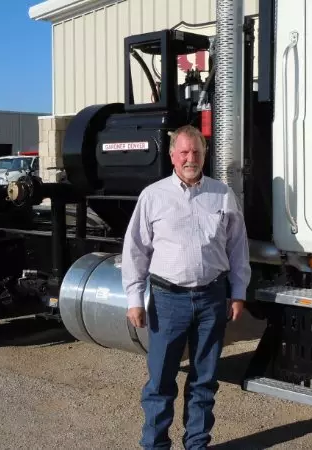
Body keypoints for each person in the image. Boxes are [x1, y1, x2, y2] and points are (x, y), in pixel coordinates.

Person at [121, 124, 251, 450]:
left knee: (204, 381)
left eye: (196, 152)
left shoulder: (222, 194)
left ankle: (197, 444)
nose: (190, 158)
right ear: (172, 156)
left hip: (212, 298)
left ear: (205, 155)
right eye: (184, 152)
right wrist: (134, 299)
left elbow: (238, 248)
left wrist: (238, 292)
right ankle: (156, 445)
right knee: (161, 383)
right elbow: (135, 250)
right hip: (168, 300)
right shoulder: (154, 196)